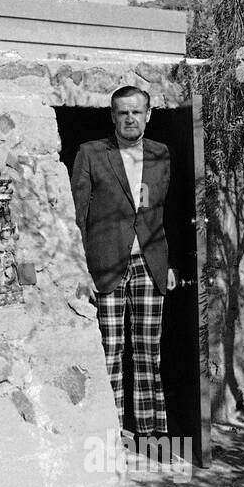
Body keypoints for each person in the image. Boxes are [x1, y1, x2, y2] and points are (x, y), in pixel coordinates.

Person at [70, 85, 176, 437]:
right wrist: (78, 267)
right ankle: (110, 431)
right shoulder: (91, 153)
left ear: (148, 114)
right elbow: (77, 215)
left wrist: (168, 263)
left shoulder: (161, 153)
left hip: (149, 262)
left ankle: (149, 431)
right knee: (110, 349)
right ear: (113, 116)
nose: (129, 118)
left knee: (148, 350)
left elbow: (164, 213)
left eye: (136, 111)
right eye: (122, 112)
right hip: (105, 265)